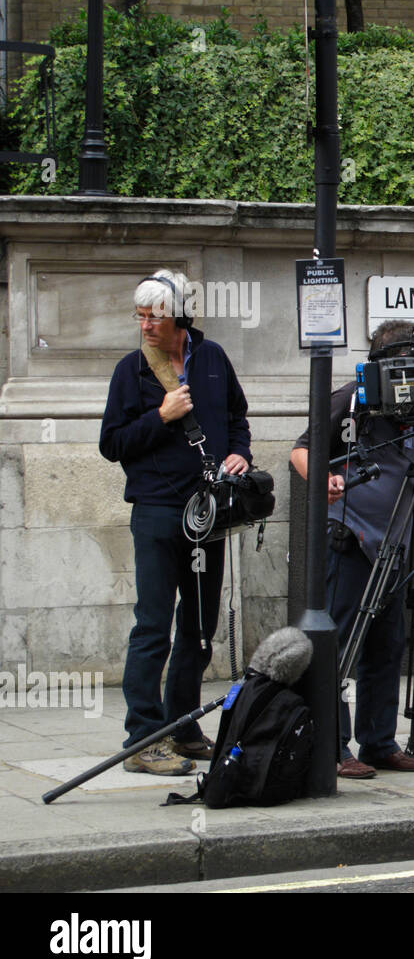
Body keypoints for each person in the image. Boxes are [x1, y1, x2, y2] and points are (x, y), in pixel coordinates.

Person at [100, 269, 251, 774]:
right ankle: (143, 741)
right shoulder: (132, 371)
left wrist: (239, 454)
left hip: (206, 513)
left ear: (180, 318)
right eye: (140, 316)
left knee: (200, 628)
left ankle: (182, 726)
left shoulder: (212, 359)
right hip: (158, 512)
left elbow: (237, 416)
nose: (145, 326)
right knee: (153, 626)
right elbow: (112, 444)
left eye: (155, 317)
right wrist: (160, 416)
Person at [290, 320, 414, 777]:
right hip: (348, 538)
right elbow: (302, 450)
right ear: (384, 362)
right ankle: (333, 746)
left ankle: (378, 742)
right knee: (337, 645)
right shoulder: (351, 399)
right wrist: (323, 481)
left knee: (387, 646)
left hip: (392, 545)